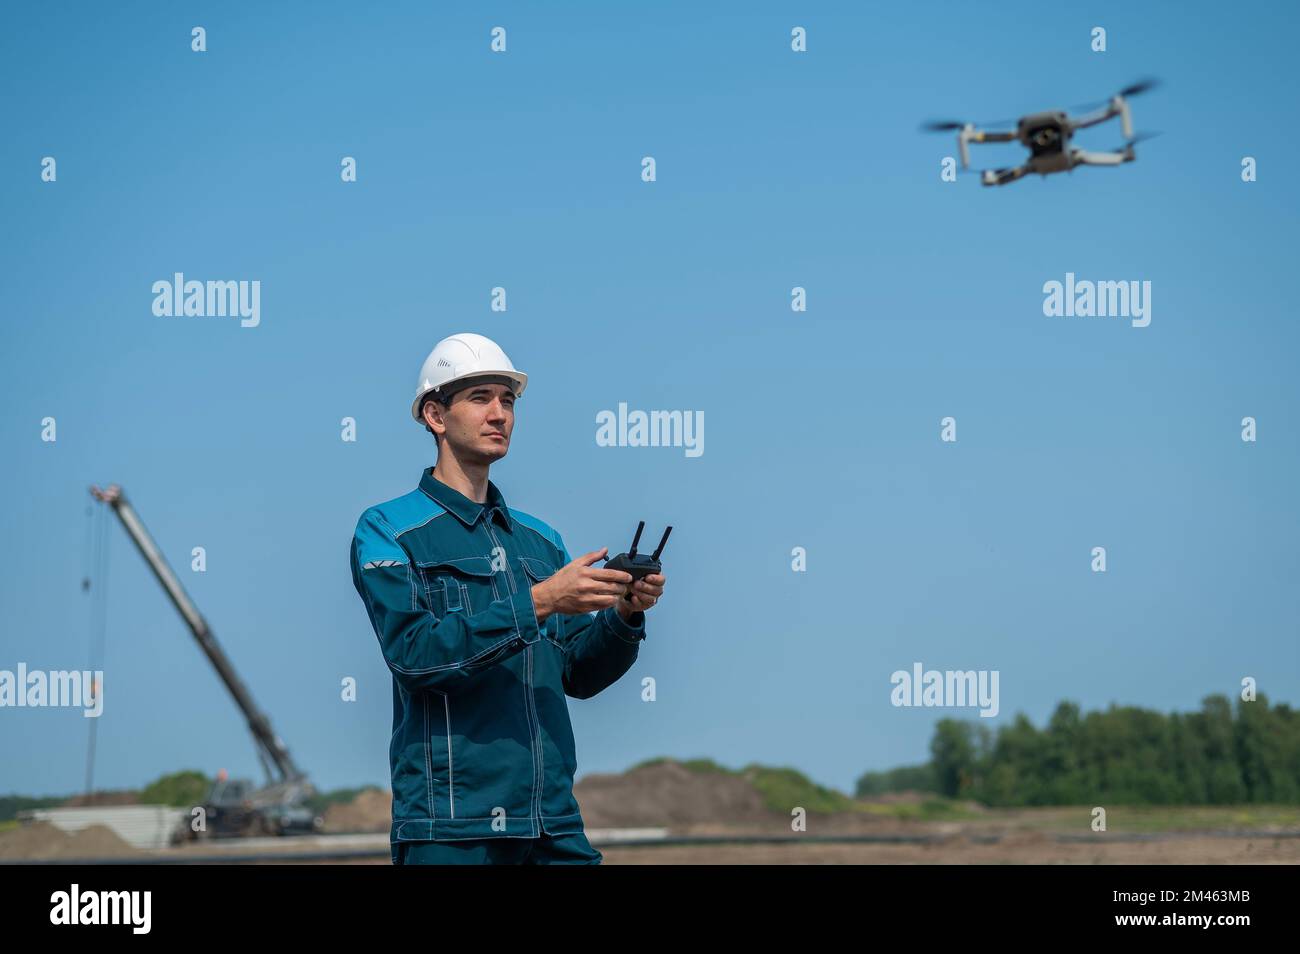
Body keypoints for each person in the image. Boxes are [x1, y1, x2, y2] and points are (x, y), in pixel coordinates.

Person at [349, 332, 666, 865]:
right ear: (435, 415)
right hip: (451, 831)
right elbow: (414, 655)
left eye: (508, 400)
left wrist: (624, 615)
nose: (499, 414)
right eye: (480, 398)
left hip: (552, 824)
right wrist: (539, 601)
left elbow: (578, 676)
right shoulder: (387, 529)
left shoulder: (540, 542)